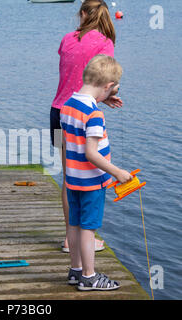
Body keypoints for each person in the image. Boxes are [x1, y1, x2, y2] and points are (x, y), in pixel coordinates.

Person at [50, 0, 122, 253]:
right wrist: (109, 94)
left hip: (59, 113)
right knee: (89, 175)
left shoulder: (67, 38)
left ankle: (70, 239)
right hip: (84, 114)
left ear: (82, 13)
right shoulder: (105, 42)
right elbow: (107, 80)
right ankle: (86, 239)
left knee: (69, 175)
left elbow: (71, 71)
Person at [61, 55, 132, 290]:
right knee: (88, 228)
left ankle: (75, 270)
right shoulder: (95, 114)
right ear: (108, 86)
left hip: (73, 178)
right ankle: (89, 277)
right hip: (92, 182)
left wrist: (102, 100)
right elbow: (91, 153)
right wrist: (117, 172)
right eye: (113, 89)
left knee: (74, 224)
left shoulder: (69, 104)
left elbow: (72, 135)